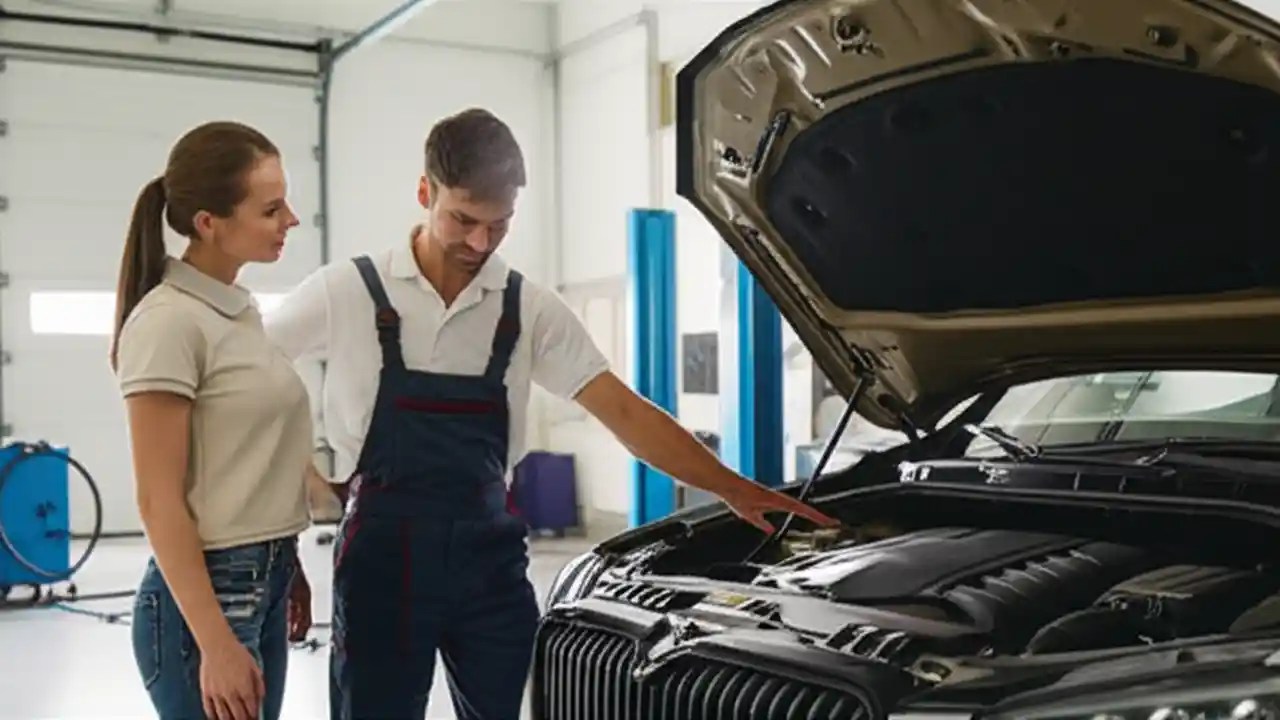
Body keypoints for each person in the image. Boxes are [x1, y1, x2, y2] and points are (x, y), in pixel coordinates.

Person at [263, 107, 837, 720]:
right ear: (424, 192)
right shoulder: (347, 290)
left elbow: (623, 409)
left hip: (489, 562)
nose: (480, 243)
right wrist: (299, 496)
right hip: (383, 556)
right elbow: (247, 387)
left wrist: (731, 487)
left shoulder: (527, 308)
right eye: (463, 220)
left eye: (499, 224)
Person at [112, 121, 316, 720]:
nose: (292, 220)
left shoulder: (239, 314)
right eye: (271, 209)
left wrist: (288, 560)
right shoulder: (168, 323)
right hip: (209, 601)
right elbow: (157, 501)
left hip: (266, 577)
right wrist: (215, 643)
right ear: (209, 223)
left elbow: (246, 460)